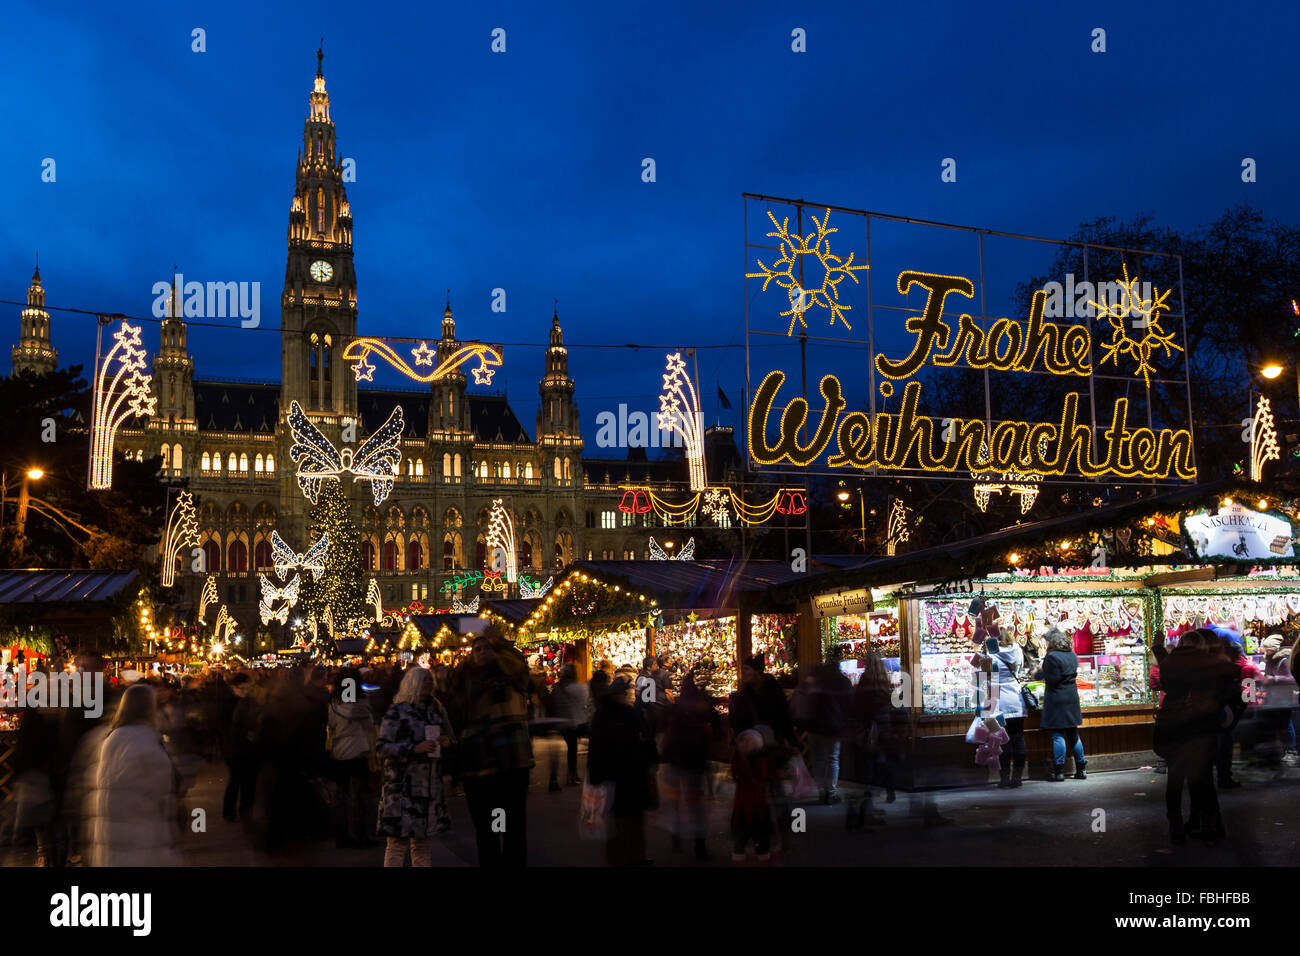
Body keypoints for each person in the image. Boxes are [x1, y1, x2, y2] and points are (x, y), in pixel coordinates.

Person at [447, 630, 534, 866]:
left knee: (512, 825)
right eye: (478, 648)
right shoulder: (462, 681)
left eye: (488, 648)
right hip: (478, 765)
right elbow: (453, 720)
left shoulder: (512, 678)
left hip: (512, 761)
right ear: (471, 655)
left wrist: (501, 644)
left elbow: (519, 666)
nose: (484, 651)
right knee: (487, 829)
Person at [1153, 628, 1238, 845]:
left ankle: (1176, 826)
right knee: (1200, 780)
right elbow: (1231, 676)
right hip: (1201, 728)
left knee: (1174, 780)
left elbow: (1162, 664)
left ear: (1181, 644)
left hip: (1174, 728)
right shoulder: (1209, 664)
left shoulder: (1172, 663)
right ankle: (1205, 824)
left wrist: (1157, 644)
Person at [85, 684, 181, 867]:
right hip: (142, 843)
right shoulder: (148, 744)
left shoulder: (109, 740)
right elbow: (163, 796)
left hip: (112, 844)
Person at [376, 667, 452, 866]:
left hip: (428, 788)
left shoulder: (436, 709)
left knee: (423, 846)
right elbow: (382, 747)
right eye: (424, 680)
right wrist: (413, 748)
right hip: (402, 789)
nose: (428, 683)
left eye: (430, 679)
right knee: (397, 845)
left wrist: (446, 741)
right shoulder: (398, 711)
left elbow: (450, 736)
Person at [588, 674, 658, 866]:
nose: (628, 695)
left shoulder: (620, 713)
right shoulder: (612, 715)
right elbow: (598, 748)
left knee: (631, 821)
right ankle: (627, 857)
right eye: (625, 692)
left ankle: (633, 856)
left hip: (628, 775)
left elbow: (644, 738)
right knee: (624, 822)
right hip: (621, 776)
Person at [660, 670, 719, 860]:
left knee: (675, 801)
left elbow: (664, 727)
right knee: (696, 806)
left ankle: (676, 836)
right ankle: (699, 846)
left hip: (675, 760)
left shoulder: (676, 707)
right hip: (695, 760)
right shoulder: (702, 706)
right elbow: (717, 726)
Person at [328, 667, 376, 847]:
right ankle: (360, 834)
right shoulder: (361, 704)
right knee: (359, 796)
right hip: (358, 750)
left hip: (339, 750)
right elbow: (369, 726)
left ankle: (341, 834)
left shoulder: (333, 703)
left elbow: (331, 725)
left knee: (341, 796)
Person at [1034, 627, 1086, 781]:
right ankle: (1081, 769)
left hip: (1057, 699)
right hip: (1071, 697)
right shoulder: (1072, 655)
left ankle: (1059, 771)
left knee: (1057, 735)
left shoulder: (1052, 657)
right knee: (1073, 734)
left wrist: (1038, 673)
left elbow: (1053, 679)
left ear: (1053, 642)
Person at [800, 661, 851, 804]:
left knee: (818, 759)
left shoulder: (816, 681)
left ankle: (821, 791)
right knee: (832, 758)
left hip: (814, 726)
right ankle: (831, 792)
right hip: (833, 727)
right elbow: (849, 704)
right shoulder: (843, 682)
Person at [982, 628, 1026, 789]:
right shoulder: (1017, 651)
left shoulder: (989, 656)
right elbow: (1019, 671)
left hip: (997, 699)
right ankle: (1018, 778)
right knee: (1018, 737)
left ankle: (1004, 778)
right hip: (1015, 698)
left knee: (1002, 741)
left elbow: (984, 677)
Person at [730, 728, 775, 864]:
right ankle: (764, 861)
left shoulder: (738, 760)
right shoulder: (762, 761)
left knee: (740, 841)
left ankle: (740, 861)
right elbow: (768, 775)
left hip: (742, 807)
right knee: (762, 842)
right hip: (759, 808)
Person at [221, 672, 261, 823]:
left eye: (247, 688)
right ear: (234, 688)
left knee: (249, 781)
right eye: (242, 689)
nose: (245, 692)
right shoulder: (229, 703)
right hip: (234, 748)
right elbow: (225, 726)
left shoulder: (251, 701)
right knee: (236, 780)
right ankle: (229, 811)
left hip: (248, 747)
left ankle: (246, 808)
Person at [547, 664, 589, 787]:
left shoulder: (557, 688)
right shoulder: (578, 688)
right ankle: (572, 775)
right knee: (572, 750)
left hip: (558, 722)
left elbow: (551, 703)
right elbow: (584, 702)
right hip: (573, 722)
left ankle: (553, 779)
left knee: (556, 752)